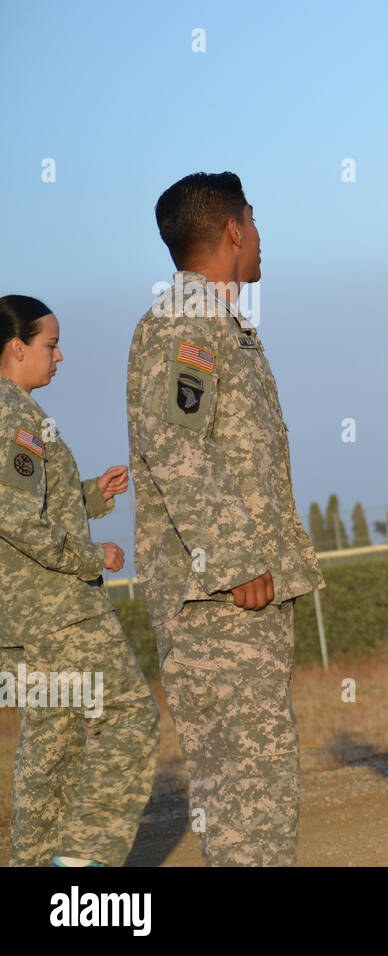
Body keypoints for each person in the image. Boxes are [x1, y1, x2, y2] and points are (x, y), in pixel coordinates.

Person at [126, 172, 324, 866]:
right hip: (218, 595)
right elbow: (174, 443)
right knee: (245, 794)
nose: (261, 239)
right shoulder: (186, 320)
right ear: (235, 229)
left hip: (237, 596)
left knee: (259, 788)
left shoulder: (220, 324)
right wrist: (236, 557)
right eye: (255, 223)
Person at [0, 295, 159, 867]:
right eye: (50, 344)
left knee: (53, 751)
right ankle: (84, 859)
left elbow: (31, 504)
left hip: (22, 621)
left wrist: (93, 493)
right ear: (16, 347)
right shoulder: (13, 415)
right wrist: (91, 555)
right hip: (57, 612)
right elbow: (16, 518)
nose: (60, 356)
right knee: (131, 719)